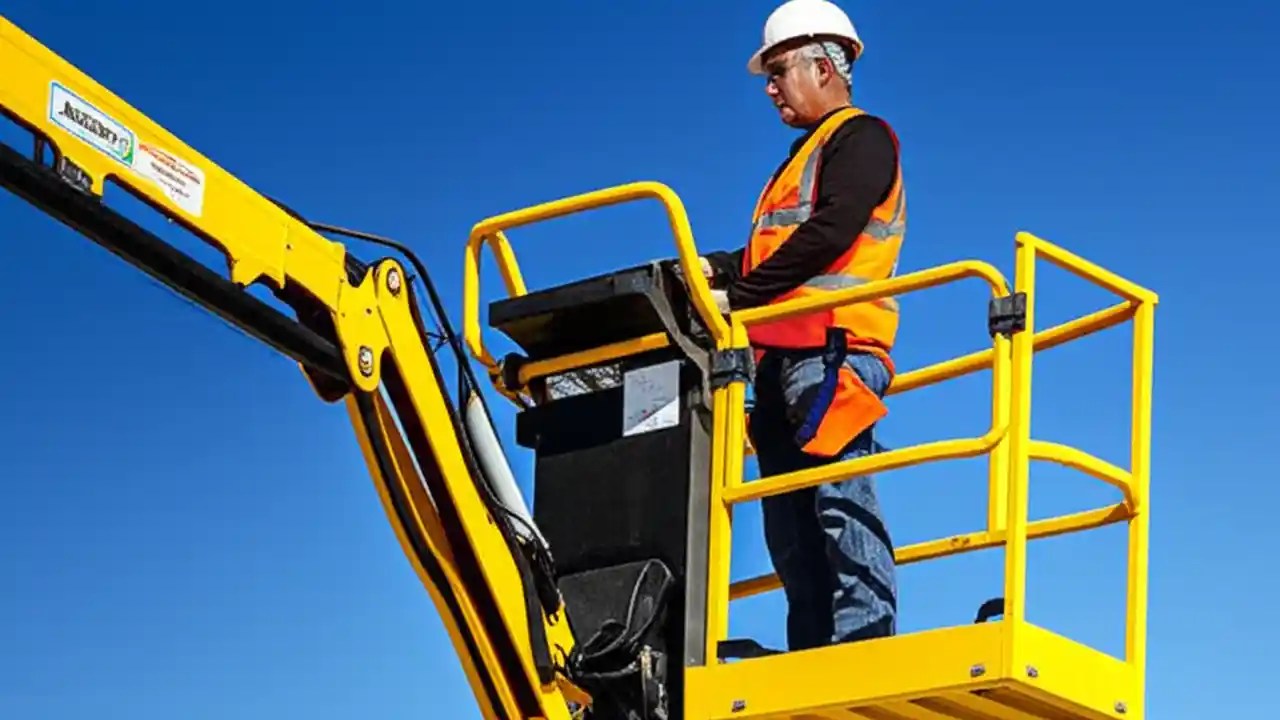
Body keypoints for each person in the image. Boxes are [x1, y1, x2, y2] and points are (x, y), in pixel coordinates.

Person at [698, 0, 906, 652]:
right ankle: (813, 653)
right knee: (788, 526)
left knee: (840, 502)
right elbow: (770, 251)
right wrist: (708, 270)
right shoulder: (797, 162)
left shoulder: (862, 138)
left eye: (778, 69)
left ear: (825, 65)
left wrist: (743, 296)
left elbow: (832, 230)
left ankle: (864, 643)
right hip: (781, 361)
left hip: (832, 353)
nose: (769, 87)